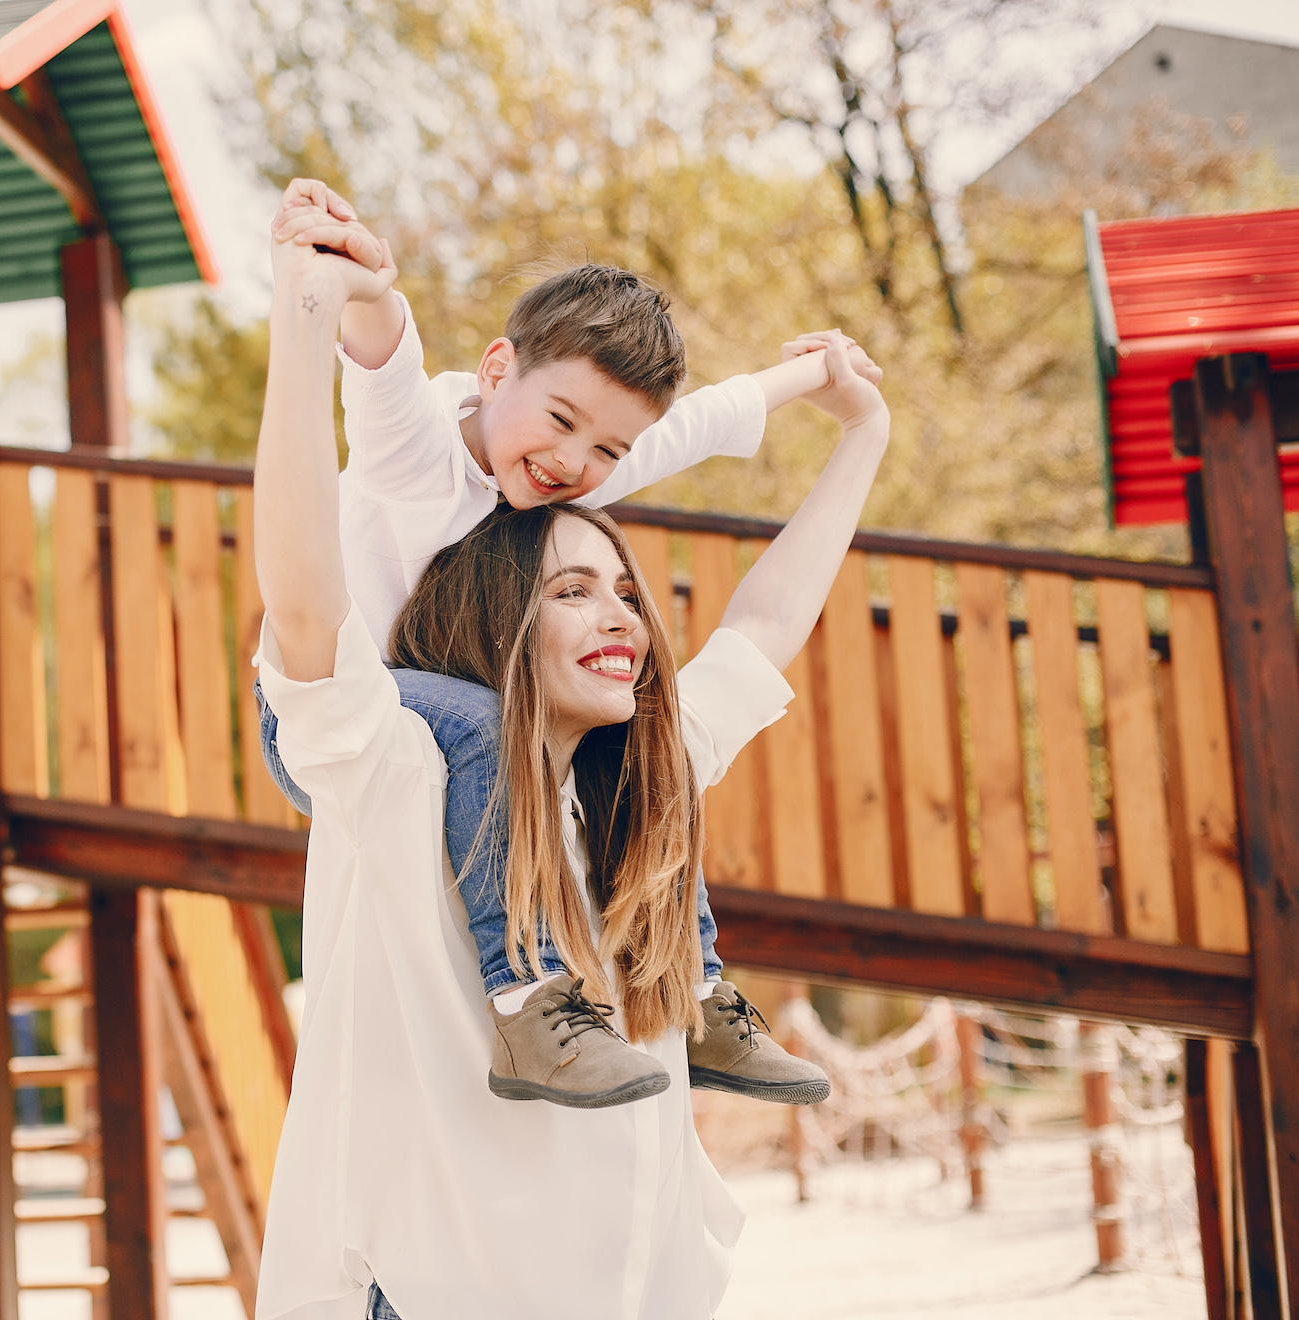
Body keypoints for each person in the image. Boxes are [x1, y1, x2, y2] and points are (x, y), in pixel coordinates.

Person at [253, 194, 891, 1319]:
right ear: (498, 372)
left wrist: (850, 416)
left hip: (622, 1289)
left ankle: (695, 994)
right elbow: (314, 583)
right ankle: (532, 995)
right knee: (456, 726)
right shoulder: (405, 776)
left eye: (628, 593)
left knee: (645, 765)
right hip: (382, 708)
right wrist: (324, 301)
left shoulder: (634, 781)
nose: (575, 463)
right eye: (572, 589)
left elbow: (764, 609)